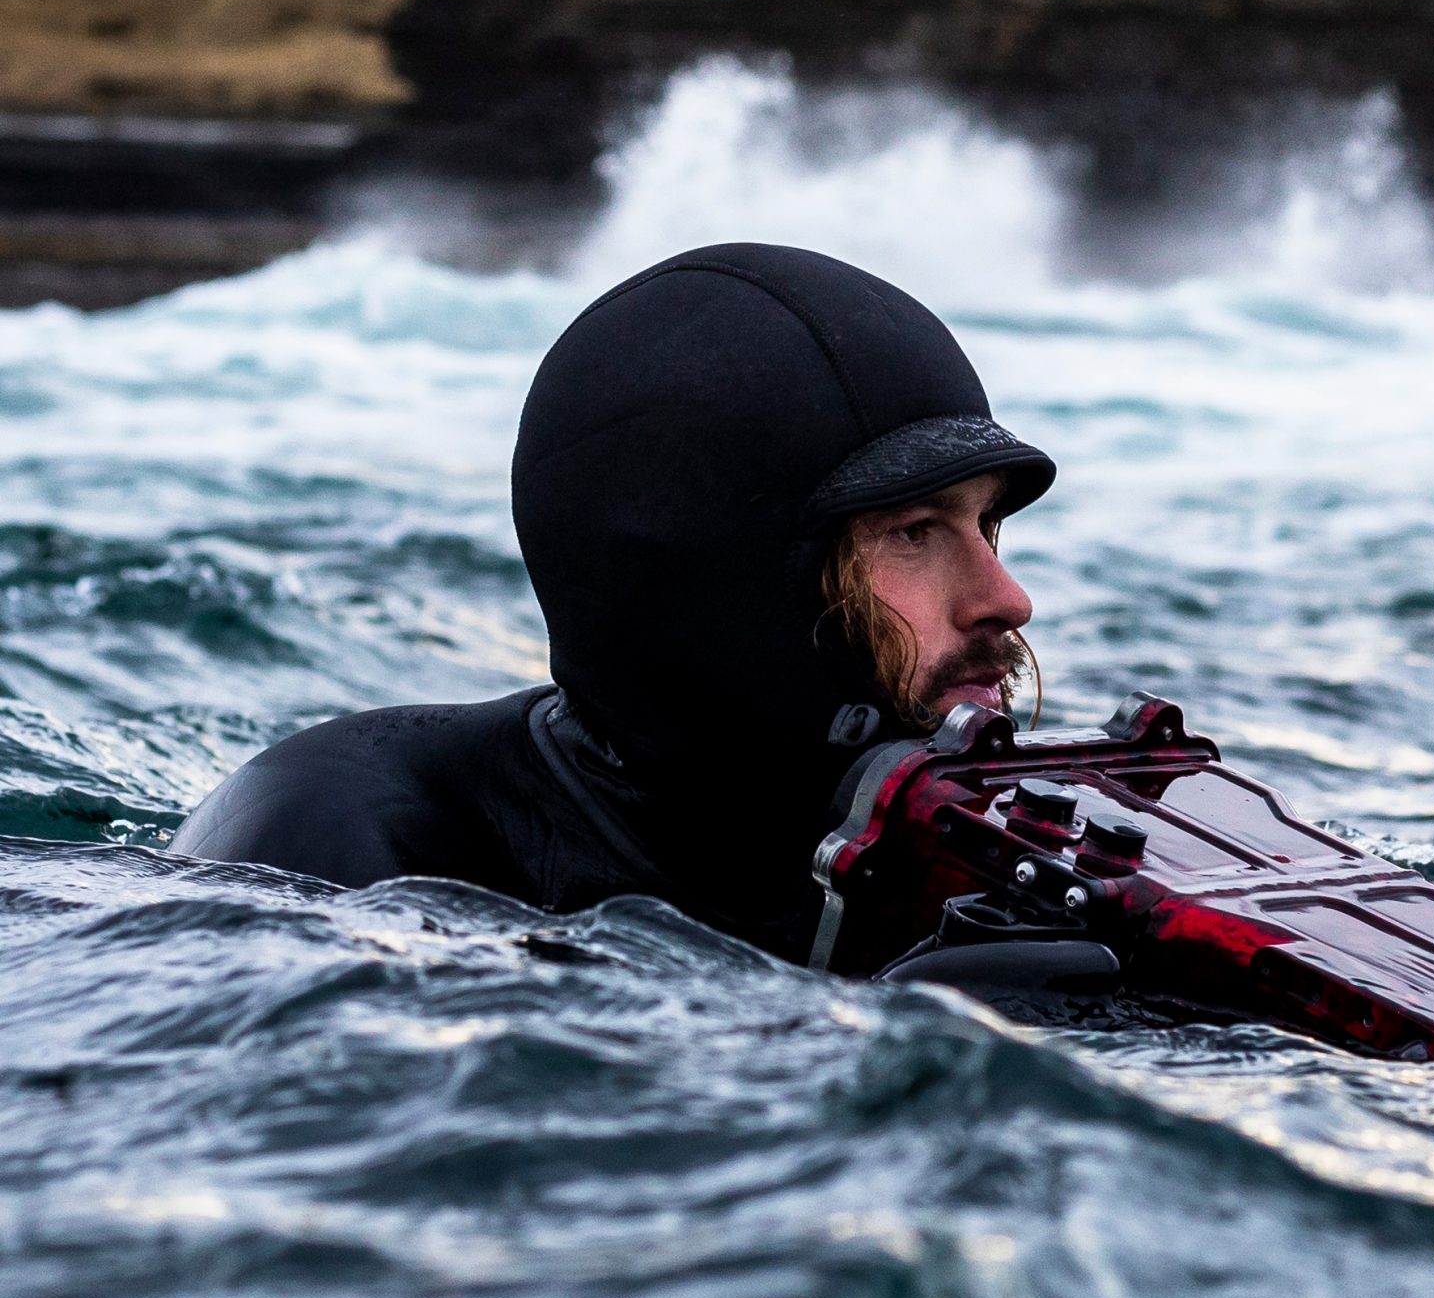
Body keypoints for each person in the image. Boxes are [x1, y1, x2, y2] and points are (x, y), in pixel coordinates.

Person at [170, 241, 1054, 960]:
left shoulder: (977, 847)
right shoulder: (343, 864)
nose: (1005, 599)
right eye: (914, 533)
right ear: (719, 578)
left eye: (987, 524)